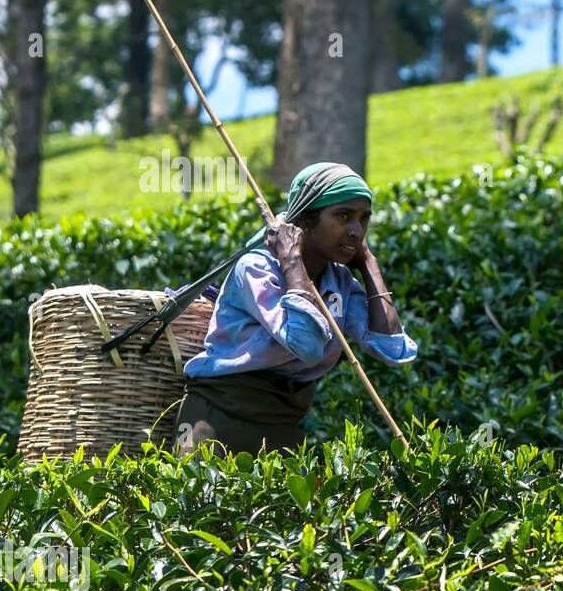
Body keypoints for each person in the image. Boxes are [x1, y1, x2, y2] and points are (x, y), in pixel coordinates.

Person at [173, 162, 417, 455]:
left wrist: (368, 264)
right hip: (219, 417)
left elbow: (392, 348)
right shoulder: (259, 269)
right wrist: (291, 261)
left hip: (283, 421)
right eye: (343, 216)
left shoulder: (337, 280)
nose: (356, 231)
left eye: (364, 219)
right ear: (305, 220)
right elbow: (307, 344)